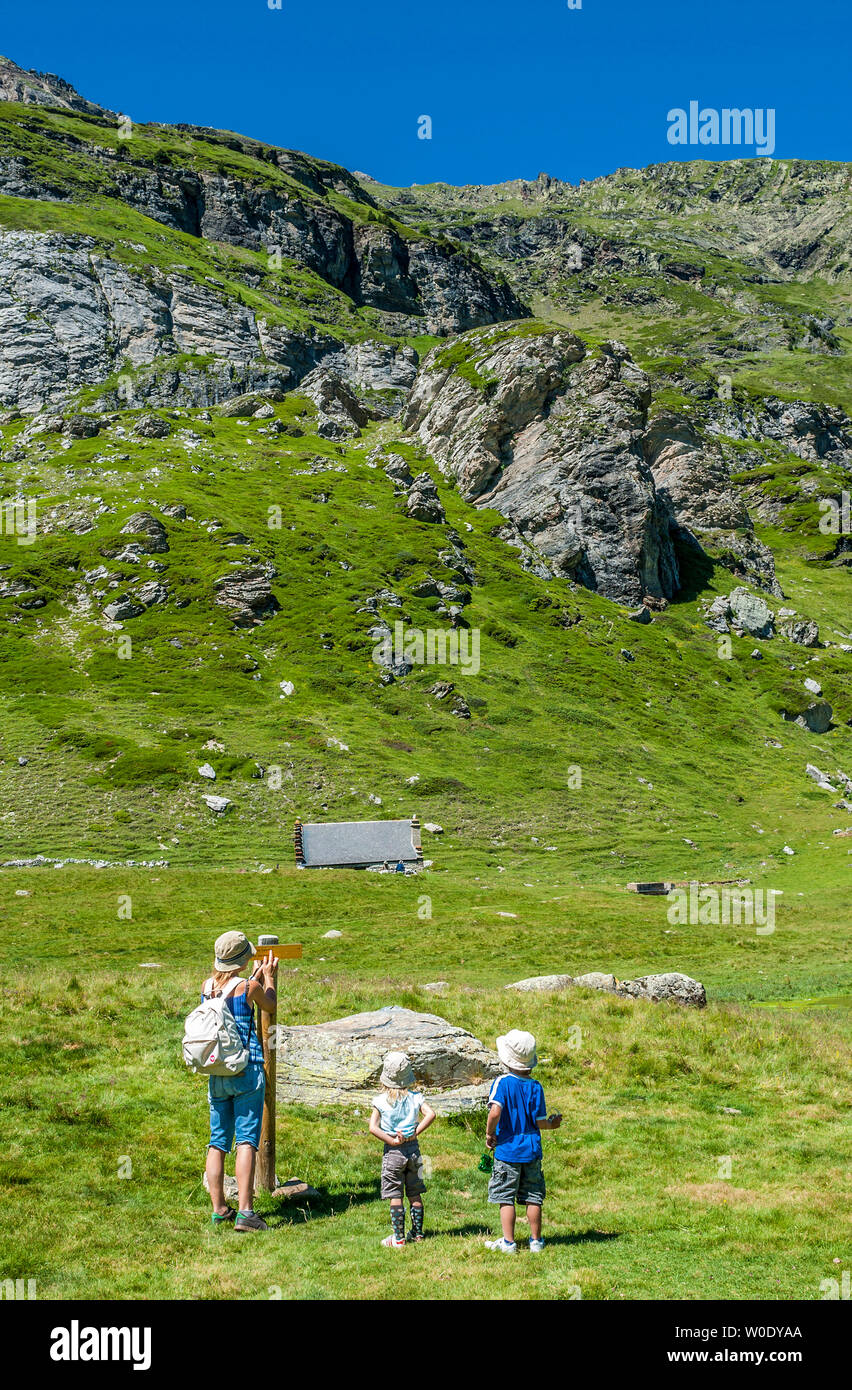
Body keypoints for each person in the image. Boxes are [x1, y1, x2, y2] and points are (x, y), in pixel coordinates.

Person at [202, 931, 278, 1232]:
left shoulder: (207, 987)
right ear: (243, 960)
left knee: (217, 1140)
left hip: (217, 1070)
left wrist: (255, 980)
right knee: (246, 1140)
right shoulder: (249, 986)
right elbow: (268, 1004)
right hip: (247, 1069)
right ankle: (246, 1212)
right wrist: (268, 979)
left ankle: (220, 1209)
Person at [483, 1029, 562, 1254]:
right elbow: (539, 1122)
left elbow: (495, 1111)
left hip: (508, 1150)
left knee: (505, 1196)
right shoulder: (536, 1086)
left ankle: (508, 1242)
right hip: (532, 1151)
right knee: (533, 1196)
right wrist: (552, 1124)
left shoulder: (502, 1083)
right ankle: (536, 1241)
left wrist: (490, 1134)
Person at [369, 1051, 436, 1247]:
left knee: (395, 1194)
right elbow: (431, 1114)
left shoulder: (380, 1101)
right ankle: (417, 1233)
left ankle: (398, 1239)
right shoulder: (416, 1098)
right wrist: (415, 1132)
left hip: (393, 1153)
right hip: (414, 1150)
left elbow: (372, 1127)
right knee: (415, 1192)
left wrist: (391, 1141)